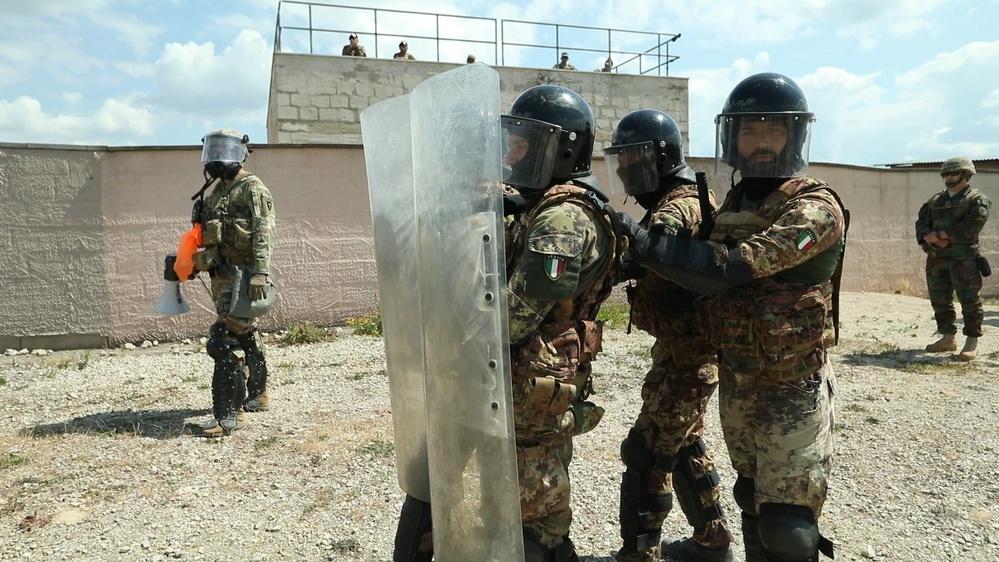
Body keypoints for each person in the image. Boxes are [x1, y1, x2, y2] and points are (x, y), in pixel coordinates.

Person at [615, 73, 846, 562]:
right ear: (731, 139)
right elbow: (699, 276)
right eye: (749, 132)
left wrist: (641, 241)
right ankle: (715, 543)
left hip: (792, 384)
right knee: (751, 498)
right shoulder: (735, 204)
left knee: (789, 526)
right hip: (740, 376)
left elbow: (736, 268)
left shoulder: (815, 206)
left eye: (773, 131)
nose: (761, 143)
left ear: (795, 135)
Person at [605, 110, 734, 562]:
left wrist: (630, 241)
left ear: (659, 158)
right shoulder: (684, 197)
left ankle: (640, 553)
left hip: (690, 357)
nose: (624, 169)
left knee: (648, 451)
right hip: (683, 350)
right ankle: (712, 540)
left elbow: (662, 245)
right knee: (683, 445)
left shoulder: (677, 204)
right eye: (619, 159)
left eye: (631, 158)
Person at [501, 84, 622, 560]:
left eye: (522, 144)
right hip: (529, 378)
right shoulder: (541, 204)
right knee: (533, 496)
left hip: (534, 380)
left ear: (562, 149)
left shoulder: (564, 219)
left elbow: (516, 315)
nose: (511, 155)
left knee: (532, 499)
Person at [190, 129, 277, 437]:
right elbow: (209, 239)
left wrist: (261, 273)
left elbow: (264, 231)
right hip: (221, 277)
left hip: (244, 276)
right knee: (245, 333)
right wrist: (192, 263)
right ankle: (258, 394)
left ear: (240, 152)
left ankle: (229, 414)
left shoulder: (252, 188)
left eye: (223, 151)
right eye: (213, 151)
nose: (217, 158)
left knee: (222, 340)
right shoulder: (214, 194)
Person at [915, 156, 990, 360]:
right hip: (937, 258)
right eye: (946, 174)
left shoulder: (976, 199)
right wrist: (929, 239)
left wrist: (940, 235)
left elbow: (972, 226)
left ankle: (972, 341)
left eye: (953, 173)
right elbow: (921, 224)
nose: (948, 177)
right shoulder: (935, 201)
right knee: (940, 300)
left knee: (969, 300)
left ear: (966, 175)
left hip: (964, 260)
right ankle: (947, 338)